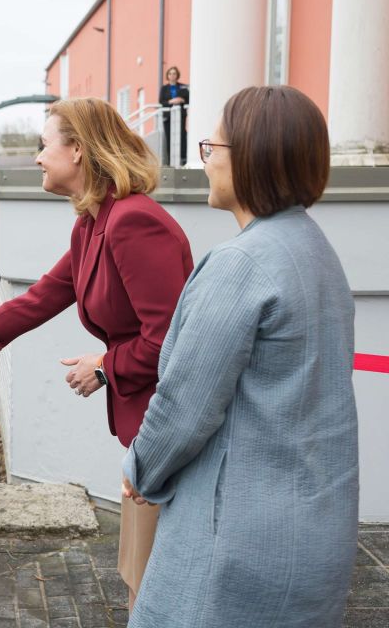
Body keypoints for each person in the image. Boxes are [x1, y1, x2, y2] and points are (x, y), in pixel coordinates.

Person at [0, 97, 193, 612]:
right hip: (143, 430)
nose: (36, 158)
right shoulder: (93, 222)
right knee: (139, 574)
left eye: (44, 145)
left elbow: (171, 341)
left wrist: (103, 366)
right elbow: (39, 300)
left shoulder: (133, 223)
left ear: (78, 150)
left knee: (151, 580)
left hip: (167, 430)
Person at [121, 86, 358, 627]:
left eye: (212, 148)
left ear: (250, 157)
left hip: (234, 540)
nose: (204, 163)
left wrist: (140, 468)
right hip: (315, 528)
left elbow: (185, 406)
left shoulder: (240, 264)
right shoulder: (318, 252)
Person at [158, 66, 189, 166]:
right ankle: (171, 162)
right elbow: (161, 102)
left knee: (182, 136)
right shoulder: (164, 88)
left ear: (177, 75)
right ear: (167, 75)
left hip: (180, 116)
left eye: (174, 73)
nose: (172, 75)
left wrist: (182, 100)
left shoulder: (183, 87)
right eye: (170, 73)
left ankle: (183, 159)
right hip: (168, 116)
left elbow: (189, 99)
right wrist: (171, 101)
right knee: (169, 138)